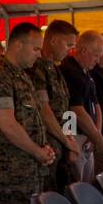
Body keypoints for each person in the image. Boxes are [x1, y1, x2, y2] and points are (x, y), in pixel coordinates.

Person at [0, 23, 55, 204]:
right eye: (36, 48)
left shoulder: (21, 75)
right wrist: (37, 151)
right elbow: (7, 124)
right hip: (13, 170)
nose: (39, 54)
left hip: (31, 166)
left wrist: (44, 147)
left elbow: (33, 119)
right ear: (18, 45)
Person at [30, 20, 82, 191]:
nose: (70, 50)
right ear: (53, 41)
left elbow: (67, 108)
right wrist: (67, 141)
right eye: (68, 45)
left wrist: (71, 139)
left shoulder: (56, 69)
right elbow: (44, 110)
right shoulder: (37, 68)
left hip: (62, 148)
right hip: (48, 148)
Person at [59, 29, 103, 183]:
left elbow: (96, 105)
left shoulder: (87, 72)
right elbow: (73, 111)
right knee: (77, 183)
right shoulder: (69, 71)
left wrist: (96, 134)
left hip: (88, 136)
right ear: (84, 50)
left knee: (88, 183)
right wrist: (72, 141)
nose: (98, 60)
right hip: (76, 135)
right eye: (95, 55)